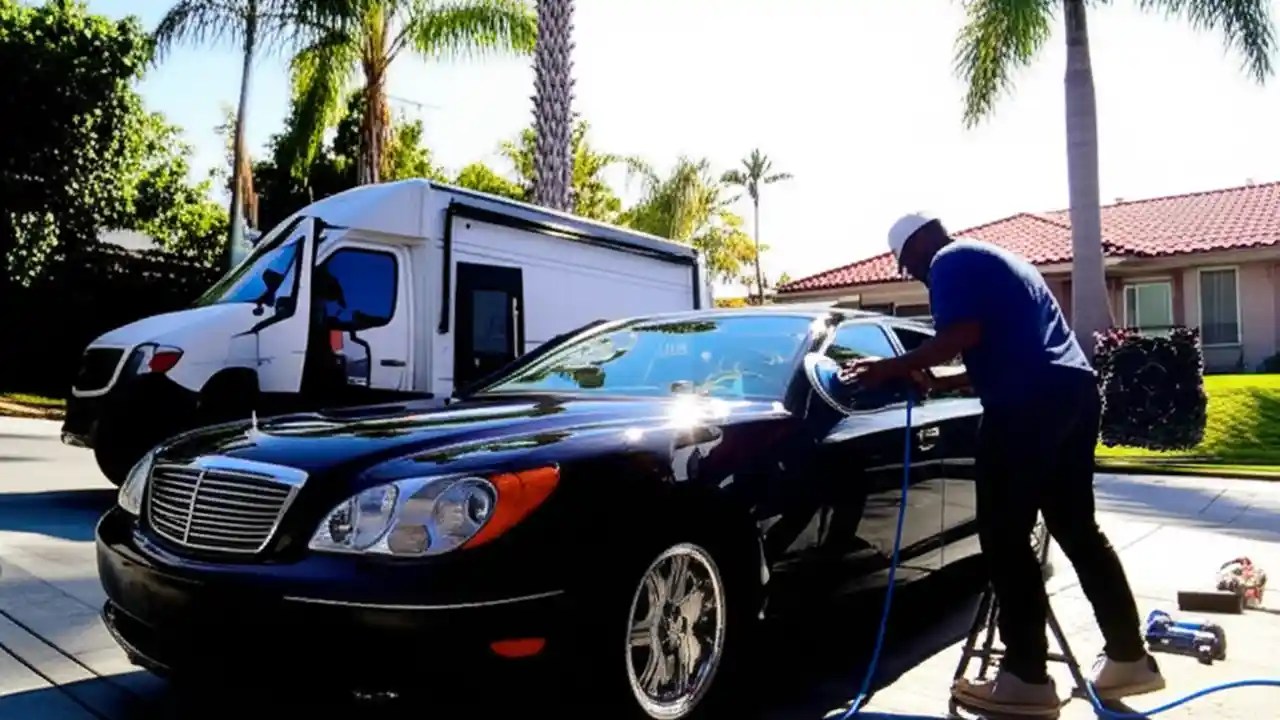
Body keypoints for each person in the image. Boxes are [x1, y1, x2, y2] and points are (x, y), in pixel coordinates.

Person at [845, 212, 1167, 718]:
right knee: (1077, 528)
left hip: (1025, 406)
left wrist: (890, 366)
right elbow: (1003, 348)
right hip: (1071, 393)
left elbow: (962, 334)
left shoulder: (949, 262)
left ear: (918, 245)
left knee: (1003, 535)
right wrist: (946, 382)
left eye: (908, 265)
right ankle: (1129, 657)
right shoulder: (998, 259)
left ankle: (1026, 676)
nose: (913, 275)